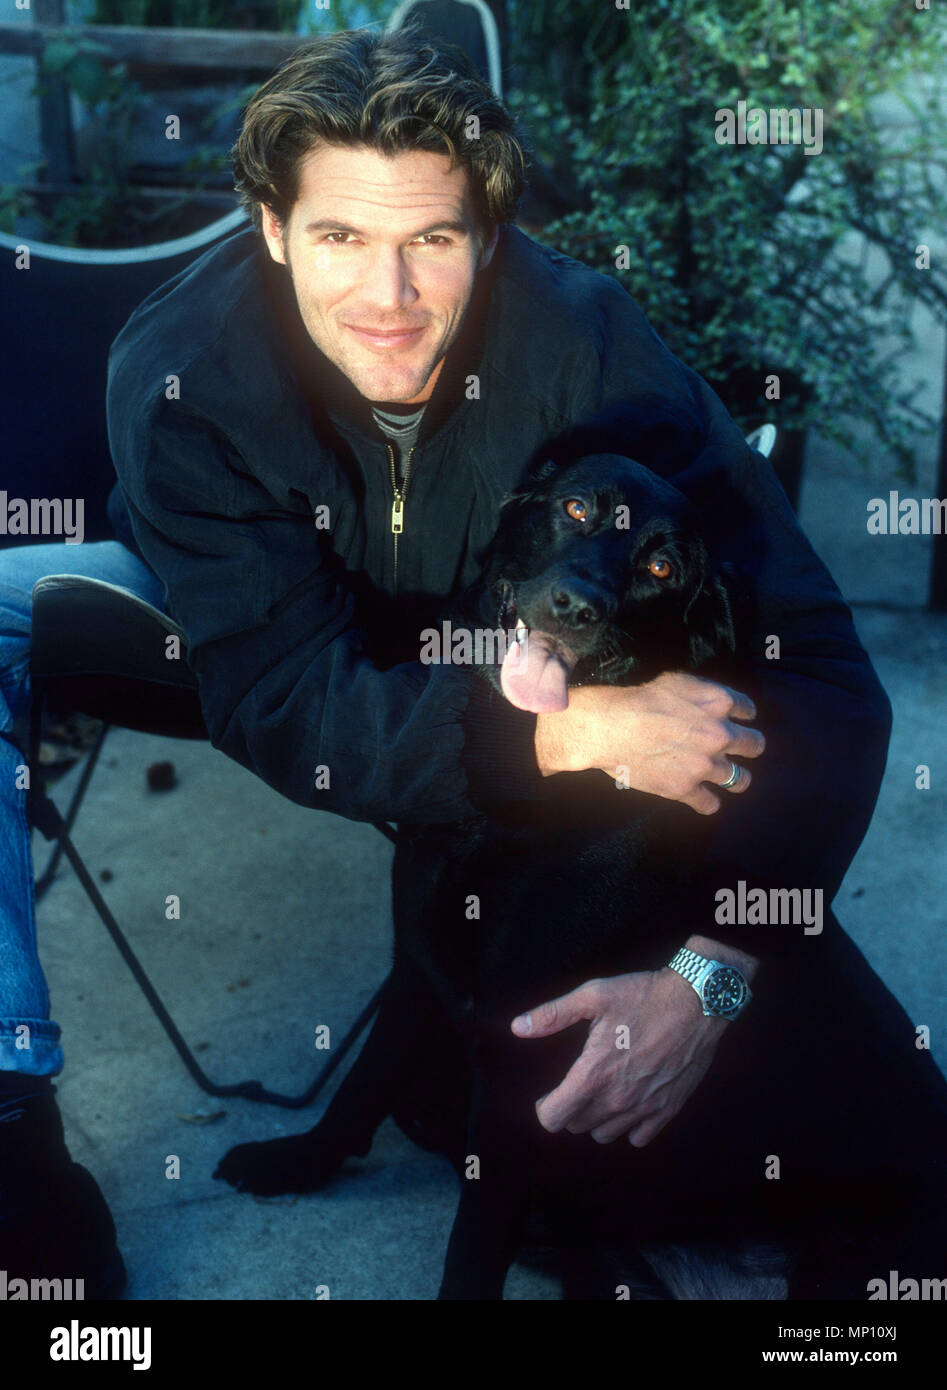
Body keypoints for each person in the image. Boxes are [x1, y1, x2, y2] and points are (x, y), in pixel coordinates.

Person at [1, 26, 943, 1300]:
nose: (385, 297)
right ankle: (11, 1117)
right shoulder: (179, 372)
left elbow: (823, 671)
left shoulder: (591, 353)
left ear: (487, 237)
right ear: (270, 228)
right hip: (254, 632)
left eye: (430, 241)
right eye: (338, 238)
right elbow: (285, 700)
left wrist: (713, 972)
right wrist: (566, 740)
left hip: (503, 642)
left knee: (842, 1085)